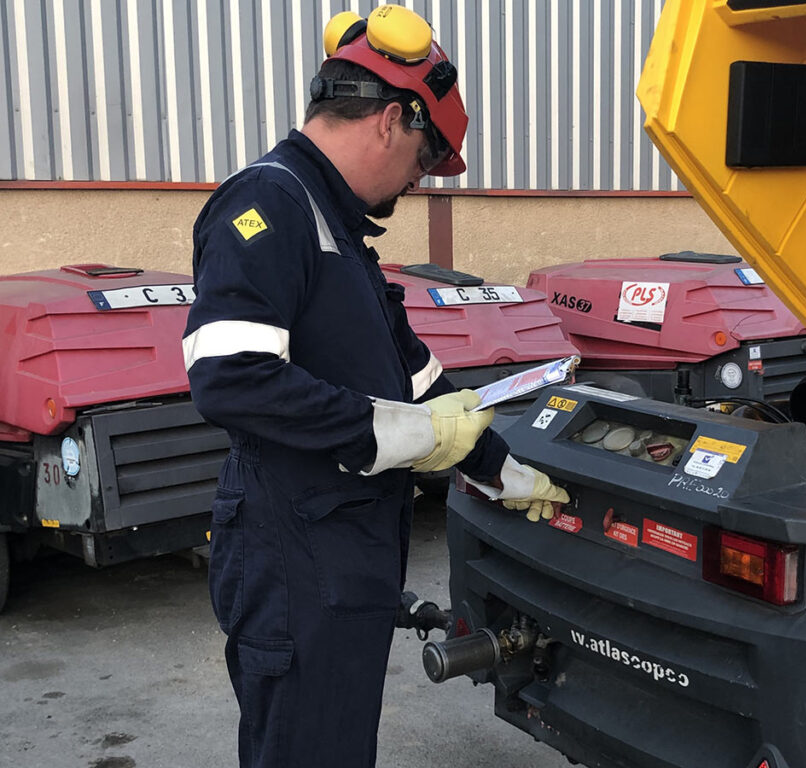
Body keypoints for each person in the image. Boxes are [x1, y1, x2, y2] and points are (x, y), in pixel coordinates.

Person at [182, 6, 568, 767]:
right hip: (292, 555)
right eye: (425, 159)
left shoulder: (339, 228)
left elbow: (415, 376)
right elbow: (229, 378)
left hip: (337, 553)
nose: (418, 180)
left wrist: (501, 468)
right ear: (392, 119)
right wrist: (405, 436)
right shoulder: (269, 205)